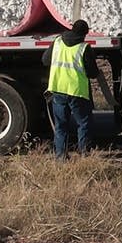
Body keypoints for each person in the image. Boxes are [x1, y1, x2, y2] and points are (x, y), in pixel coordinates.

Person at [48, 19, 94, 158]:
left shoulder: (57, 42)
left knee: (61, 125)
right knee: (84, 123)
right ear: (85, 33)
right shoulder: (84, 48)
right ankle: (84, 154)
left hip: (58, 89)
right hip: (77, 92)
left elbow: (45, 60)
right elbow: (92, 72)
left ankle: (60, 156)